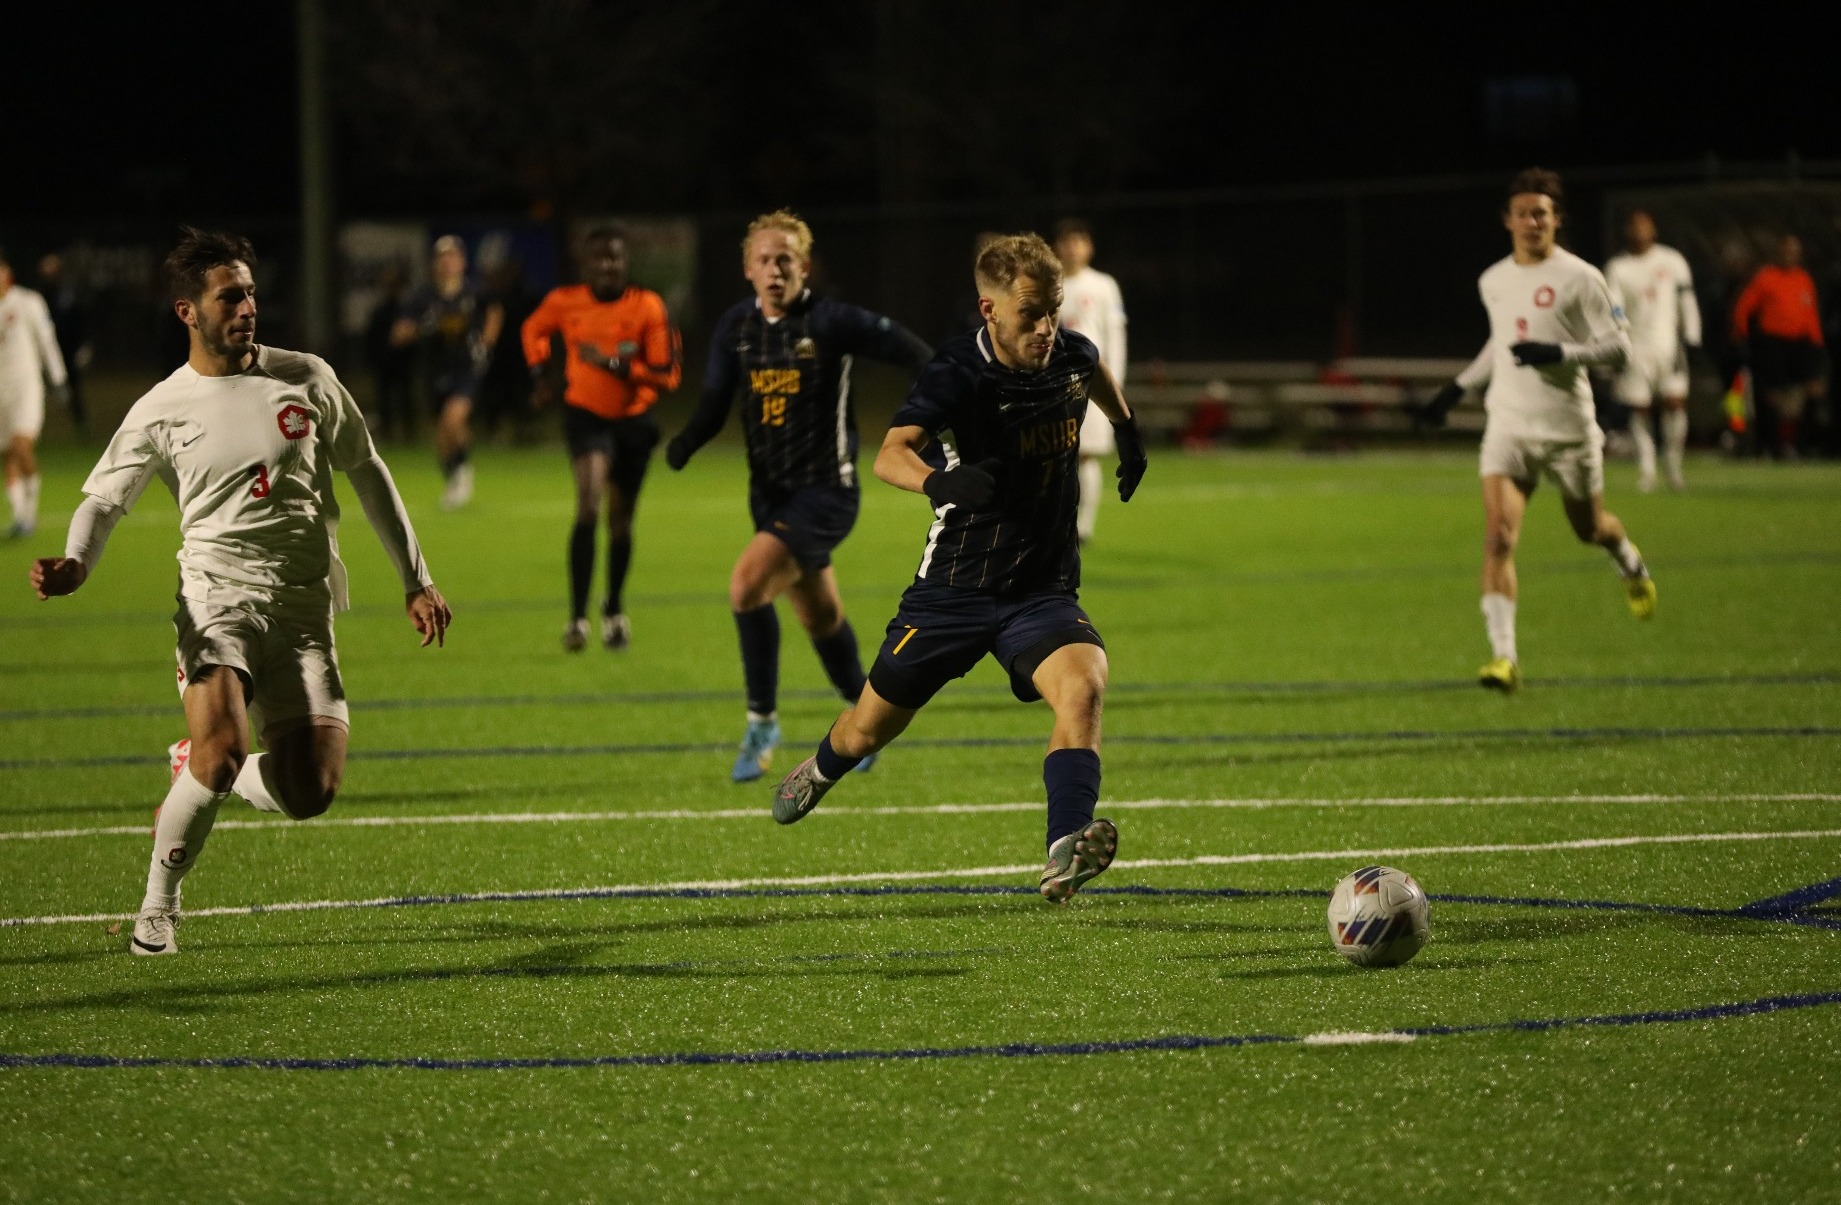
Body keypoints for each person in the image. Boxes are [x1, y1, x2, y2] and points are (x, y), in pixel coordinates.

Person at [28, 228, 451, 956]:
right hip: (214, 600)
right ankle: (157, 906)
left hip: (302, 606)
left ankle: (189, 765)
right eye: (230, 296)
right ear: (188, 311)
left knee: (310, 791)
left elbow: (368, 469)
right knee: (222, 748)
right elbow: (105, 498)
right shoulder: (164, 404)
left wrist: (416, 577)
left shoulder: (307, 377)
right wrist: (76, 561)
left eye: (251, 292)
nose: (247, 307)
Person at [770, 232, 1148, 905]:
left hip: (1040, 590)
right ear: (988, 310)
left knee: (1084, 687)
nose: (1044, 328)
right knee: (863, 729)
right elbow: (891, 451)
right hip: (954, 590)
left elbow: (1091, 371)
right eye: (1029, 314)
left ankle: (1063, 849)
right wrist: (936, 485)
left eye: (1052, 311)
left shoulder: (1068, 351)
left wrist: (1126, 431)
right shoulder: (958, 373)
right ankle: (821, 770)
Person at [665, 211, 932, 782]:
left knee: (746, 585)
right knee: (821, 615)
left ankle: (762, 721)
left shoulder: (830, 321)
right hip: (769, 496)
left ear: (804, 266)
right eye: (763, 259)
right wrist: (687, 440)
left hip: (826, 492)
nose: (774, 268)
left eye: (785, 258)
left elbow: (913, 352)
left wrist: (939, 404)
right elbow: (714, 401)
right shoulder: (736, 327)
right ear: (747, 269)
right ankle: (868, 721)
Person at [1420, 168, 1652, 694]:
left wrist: (1561, 353)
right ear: (1508, 220)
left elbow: (1620, 349)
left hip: (1568, 429)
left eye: (1541, 214)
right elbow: (1501, 344)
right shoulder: (1493, 279)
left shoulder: (1582, 278)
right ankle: (1504, 659)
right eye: (1523, 213)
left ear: (1556, 220)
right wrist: (1456, 389)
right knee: (1498, 536)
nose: (1532, 222)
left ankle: (1629, 561)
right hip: (1509, 426)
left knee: (1590, 530)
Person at [522, 224, 681, 651]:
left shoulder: (647, 306)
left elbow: (668, 375)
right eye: (598, 258)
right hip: (585, 416)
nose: (607, 265)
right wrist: (539, 372)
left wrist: (618, 365)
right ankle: (576, 617)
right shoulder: (565, 301)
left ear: (626, 262)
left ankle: (612, 609)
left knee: (621, 522)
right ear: (586, 264)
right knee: (589, 507)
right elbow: (533, 330)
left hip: (634, 421)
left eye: (614, 257)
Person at [393, 235, 503, 508]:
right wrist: (420, 328)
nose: (448, 262)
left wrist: (487, 343)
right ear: (434, 263)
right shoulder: (422, 297)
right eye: (443, 257)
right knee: (442, 434)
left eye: (453, 256)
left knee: (454, 419)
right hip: (433, 369)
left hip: (465, 367)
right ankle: (454, 476)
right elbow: (398, 334)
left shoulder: (474, 292)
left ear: (463, 262)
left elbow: (495, 311)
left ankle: (463, 473)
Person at [1605, 211, 1700, 491]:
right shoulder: (1618, 267)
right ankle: (1647, 469)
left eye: (1644, 226)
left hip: (1669, 345)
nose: (1639, 231)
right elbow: (1614, 307)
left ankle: (1673, 464)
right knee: (1640, 408)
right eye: (1633, 226)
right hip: (1636, 347)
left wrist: (1692, 337)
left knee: (1675, 403)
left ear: (1654, 230)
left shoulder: (1672, 261)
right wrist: (1617, 339)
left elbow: (1687, 301)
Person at [1053, 218, 1129, 545]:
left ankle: (1083, 528)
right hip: (1052, 381)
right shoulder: (1047, 283)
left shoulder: (1103, 285)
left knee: (1086, 454)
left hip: (1090, 381)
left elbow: (1115, 335)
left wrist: (1115, 383)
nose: (1073, 248)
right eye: (1067, 241)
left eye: (1079, 241)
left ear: (1089, 247)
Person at [1731, 234, 1826, 459]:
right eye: (1786, 250)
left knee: (1810, 392)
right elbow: (1744, 307)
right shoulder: (1766, 277)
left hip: (1802, 343)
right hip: (1773, 343)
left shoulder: (1804, 279)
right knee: (1772, 396)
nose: (1790, 255)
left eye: (1794, 251)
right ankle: (1770, 444)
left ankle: (1803, 443)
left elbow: (1810, 313)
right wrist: (1741, 334)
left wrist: (1817, 343)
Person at [0, 246, 70, 538]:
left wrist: (58, 378)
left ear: (8, 275)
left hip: (26, 388)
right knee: (7, 454)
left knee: (22, 447)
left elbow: (46, 341)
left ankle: (29, 516)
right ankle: (19, 517)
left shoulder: (28, 302)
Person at [36, 252, 92, 435]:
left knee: (73, 388)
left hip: (68, 349)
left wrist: (84, 345)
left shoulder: (70, 294)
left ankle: (80, 424)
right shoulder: (41, 296)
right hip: (47, 350)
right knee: (38, 387)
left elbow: (81, 320)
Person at [363, 263, 417, 441]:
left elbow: (413, 337)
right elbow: (372, 339)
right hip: (384, 363)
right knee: (384, 400)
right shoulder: (379, 312)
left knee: (405, 398)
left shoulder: (406, 310)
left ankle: (409, 434)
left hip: (403, 362)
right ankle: (387, 433)